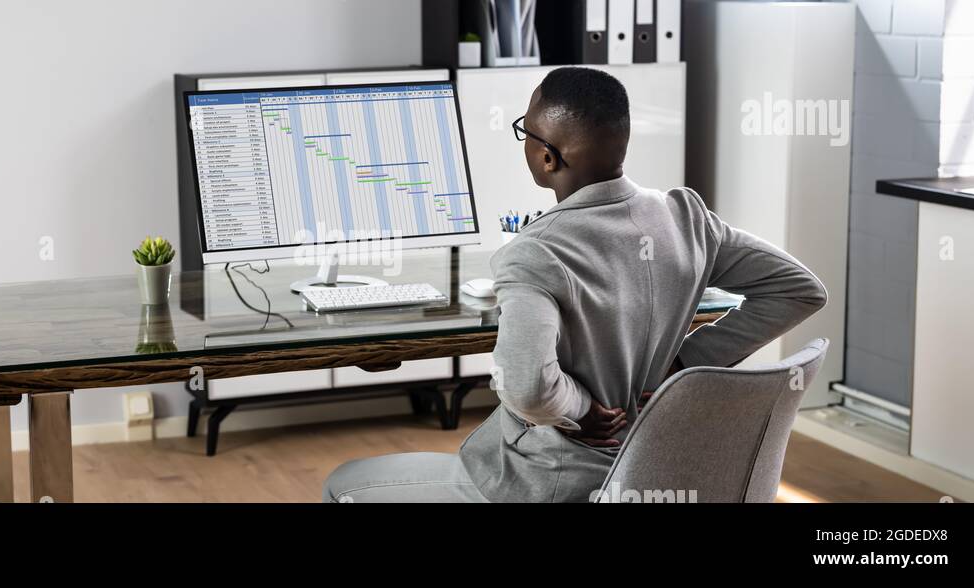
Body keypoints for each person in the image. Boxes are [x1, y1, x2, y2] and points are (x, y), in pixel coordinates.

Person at [322, 66, 828, 503]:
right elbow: (800, 289)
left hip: (549, 483)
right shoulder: (686, 217)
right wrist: (683, 365)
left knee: (345, 482)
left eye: (526, 131)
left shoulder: (536, 252)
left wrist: (580, 410)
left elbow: (527, 387)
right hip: (648, 470)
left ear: (548, 158)